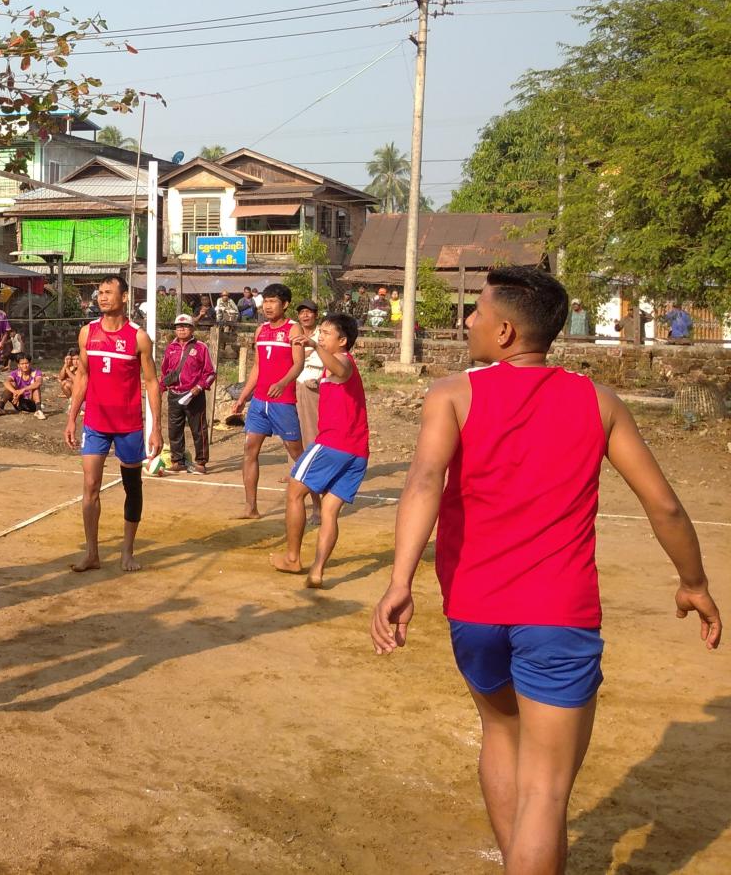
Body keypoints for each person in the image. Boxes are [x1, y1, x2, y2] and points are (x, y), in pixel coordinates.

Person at [372, 266, 722, 874]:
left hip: (473, 607)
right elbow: (663, 504)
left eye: (477, 312)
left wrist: (400, 581)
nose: (468, 321)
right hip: (559, 613)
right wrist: (693, 583)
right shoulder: (599, 401)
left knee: (500, 734)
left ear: (505, 332)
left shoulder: (451, 395)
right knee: (546, 792)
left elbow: (424, 481)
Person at [65, 274, 162, 573]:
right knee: (90, 485)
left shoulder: (138, 337)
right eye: (100, 292)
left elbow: (152, 382)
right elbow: (83, 377)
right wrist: (72, 417)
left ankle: (127, 552)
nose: (103, 297)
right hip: (95, 422)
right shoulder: (88, 333)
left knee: (132, 486)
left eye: (109, 292)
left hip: (128, 425)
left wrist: (156, 427)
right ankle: (92, 553)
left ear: (125, 297)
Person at [272, 312, 367, 587]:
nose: (320, 336)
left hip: (334, 444)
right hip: (357, 450)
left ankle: (292, 558)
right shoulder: (333, 363)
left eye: (326, 333)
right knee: (329, 511)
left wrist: (315, 346)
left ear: (343, 340)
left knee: (294, 491)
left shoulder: (343, 360)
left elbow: (341, 369)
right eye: (320, 332)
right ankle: (317, 571)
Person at [229, 282, 305, 519]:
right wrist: (243, 397)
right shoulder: (260, 330)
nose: (268, 306)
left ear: (285, 304)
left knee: (297, 454)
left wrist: (282, 383)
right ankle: (251, 507)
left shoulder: (293, 329)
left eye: (273, 302)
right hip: (259, 402)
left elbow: (299, 364)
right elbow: (257, 367)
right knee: (249, 450)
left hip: (283, 402)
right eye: (266, 302)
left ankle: (317, 504)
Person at [161, 313, 215, 475]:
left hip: (193, 395)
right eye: (178, 327)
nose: (181, 329)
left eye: (185, 326)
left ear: (192, 329)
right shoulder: (170, 348)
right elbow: (165, 372)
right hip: (174, 394)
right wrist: (161, 387)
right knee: (174, 430)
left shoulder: (201, 347)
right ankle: (178, 461)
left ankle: (201, 462)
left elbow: (210, 373)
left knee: (198, 430)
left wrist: (199, 387)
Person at [294, 300, 324, 443]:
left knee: (313, 425)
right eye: (302, 312)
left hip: (315, 382)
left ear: (316, 315)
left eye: (308, 312)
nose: (305, 315)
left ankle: (313, 454)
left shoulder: (323, 334)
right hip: (296, 381)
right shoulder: (293, 334)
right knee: (295, 428)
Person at [0, 354, 47, 418]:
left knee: (36, 388)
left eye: (26, 363)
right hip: (17, 401)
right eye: (22, 364)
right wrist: (15, 392)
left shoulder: (36, 372)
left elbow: (39, 382)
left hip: (31, 404)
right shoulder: (15, 373)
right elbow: (6, 382)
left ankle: (38, 410)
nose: (25, 366)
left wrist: (23, 390)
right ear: (18, 365)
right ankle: (0, 408)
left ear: (30, 363)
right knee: (11, 384)